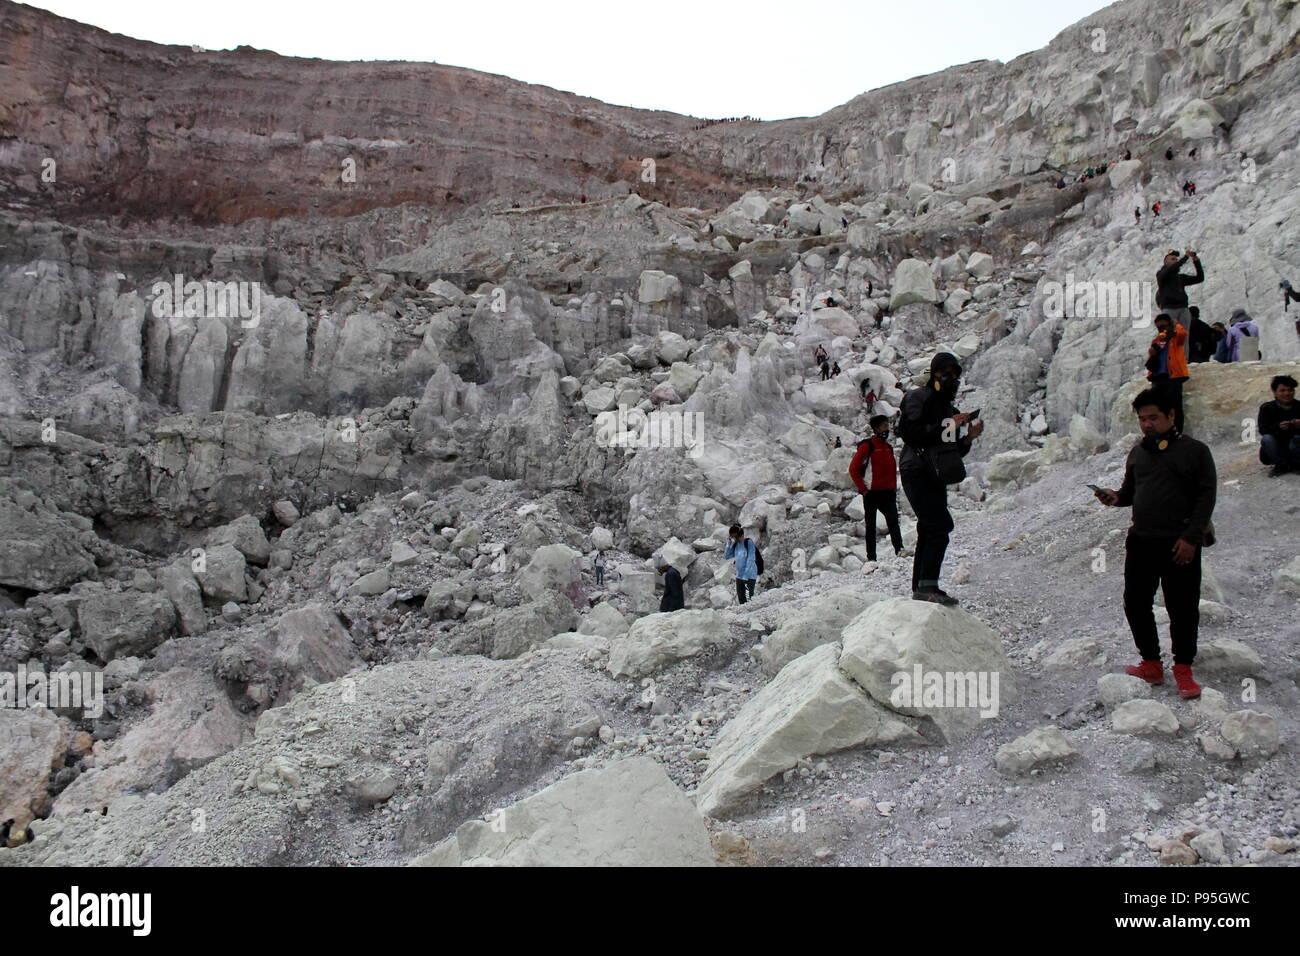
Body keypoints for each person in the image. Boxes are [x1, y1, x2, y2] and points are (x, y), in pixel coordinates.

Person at [1094, 388, 1216, 699]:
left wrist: (1191, 538)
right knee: (1135, 603)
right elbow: (1131, 492)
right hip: (1142, 541)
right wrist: (1115, 498)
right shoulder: (1139, 452)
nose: (1147, 424)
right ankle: (1151, 662)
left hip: (1179, 544)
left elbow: (1206, 498)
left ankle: (1184, 670)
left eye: (1153, 418)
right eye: (1142, 419)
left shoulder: (1195, 451)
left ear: (1171, 416)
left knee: (1183, 608)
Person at [898, 353, 983, 605]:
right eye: (945, 373)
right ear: (934, 373)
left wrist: (968, 437)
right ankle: (927, 586)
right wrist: (947, 424)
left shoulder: (949, 409)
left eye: (955, 374)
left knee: (930, 527)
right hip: (915, 469)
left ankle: (923, 587)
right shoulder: (918, 397)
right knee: (939, 525)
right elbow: (910, 433)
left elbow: (951, 449)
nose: (951, 379)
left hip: (934, 474)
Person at [850, 415, 904, 564]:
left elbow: (892, 470)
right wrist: (863, 489)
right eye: (884, 426)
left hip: (888, 492)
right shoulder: (868, 446)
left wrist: (893, 488)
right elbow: (853, 469)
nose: (887, 429)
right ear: (876, 429)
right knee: (871, 526)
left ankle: (900, 550)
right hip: (872, 493)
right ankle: (871, 558)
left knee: (893, 521)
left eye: (887, 425)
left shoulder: (888, 447)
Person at [1145, 313, 1190, 434]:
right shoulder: (1157, 341)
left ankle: (1177, 432)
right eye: (1158, 326)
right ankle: (1161, 431)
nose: (1161, 328)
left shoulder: (1176, 338)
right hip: (1157, 378)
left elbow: (1183, 334)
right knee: (1158, 407)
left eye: (1163, 325)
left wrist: (1177, 325)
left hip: (1173, 377)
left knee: (1175, 406)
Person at [1155, 250, 1204, 344]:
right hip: (1169, 309)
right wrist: (1185, 257)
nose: (1175, 261)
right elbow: (1172, 269)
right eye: (1172, 259)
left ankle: (1183, 358)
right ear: (1165, 262)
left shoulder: (1180, 277)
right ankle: (1168, 357)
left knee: (1184, 337)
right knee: (1167, 336)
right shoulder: (1161, 275)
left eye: (1176, 259)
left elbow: (1200, 278)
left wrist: (1196, 261)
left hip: (1183, 308)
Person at [1258, 375, 1300, 476]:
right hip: (1277, 446)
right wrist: (1278, 427)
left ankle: (1295, 463)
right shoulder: (1267, 408)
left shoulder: (1299, 406)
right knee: (1267, 438)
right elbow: (1263, 430)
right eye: (1282, 390)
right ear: (1275, 392)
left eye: (1290, 390)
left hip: (1295, 445)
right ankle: (1281, 464)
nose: (1287, 393)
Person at [724, 525, 760, 605]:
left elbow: (750, 559)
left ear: (741, 535)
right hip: (739, 576)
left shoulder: (748, 543)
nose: (735, 539)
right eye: (733, 537)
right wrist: (728, 543)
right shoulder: (736, 545)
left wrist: (745, 576)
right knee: (741, 600)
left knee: (748, 599)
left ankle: (751, 614)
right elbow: (727, 556)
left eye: (735, 537)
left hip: (749, 576)